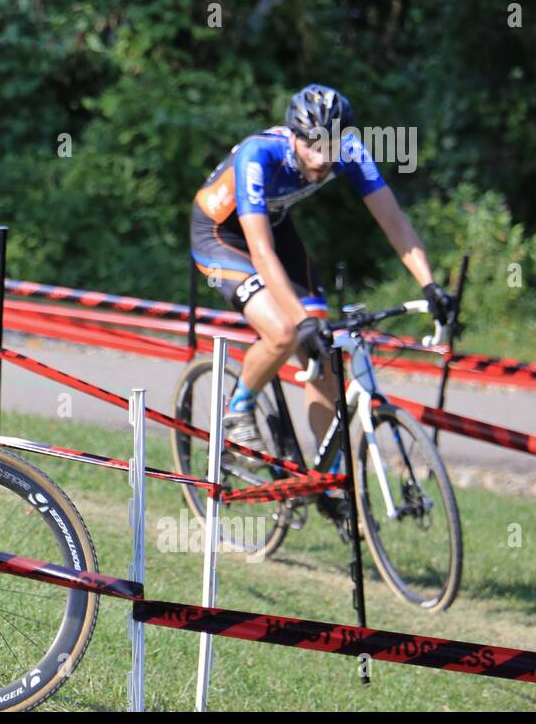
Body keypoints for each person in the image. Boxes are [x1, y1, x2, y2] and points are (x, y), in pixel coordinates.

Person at [189, 84, 453, 520]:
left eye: (329, 145)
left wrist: (430, 286)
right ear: (293, 135)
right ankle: (236, 413)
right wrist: (299, 319)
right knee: (286, 331)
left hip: (273, 226)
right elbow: (260, 253)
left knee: (324, 356)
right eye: (310, 144)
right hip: (221, 234)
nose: (320, 156)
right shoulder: (258, 154)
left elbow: (394, 220)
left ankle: (321, 479)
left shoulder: (348, 152)